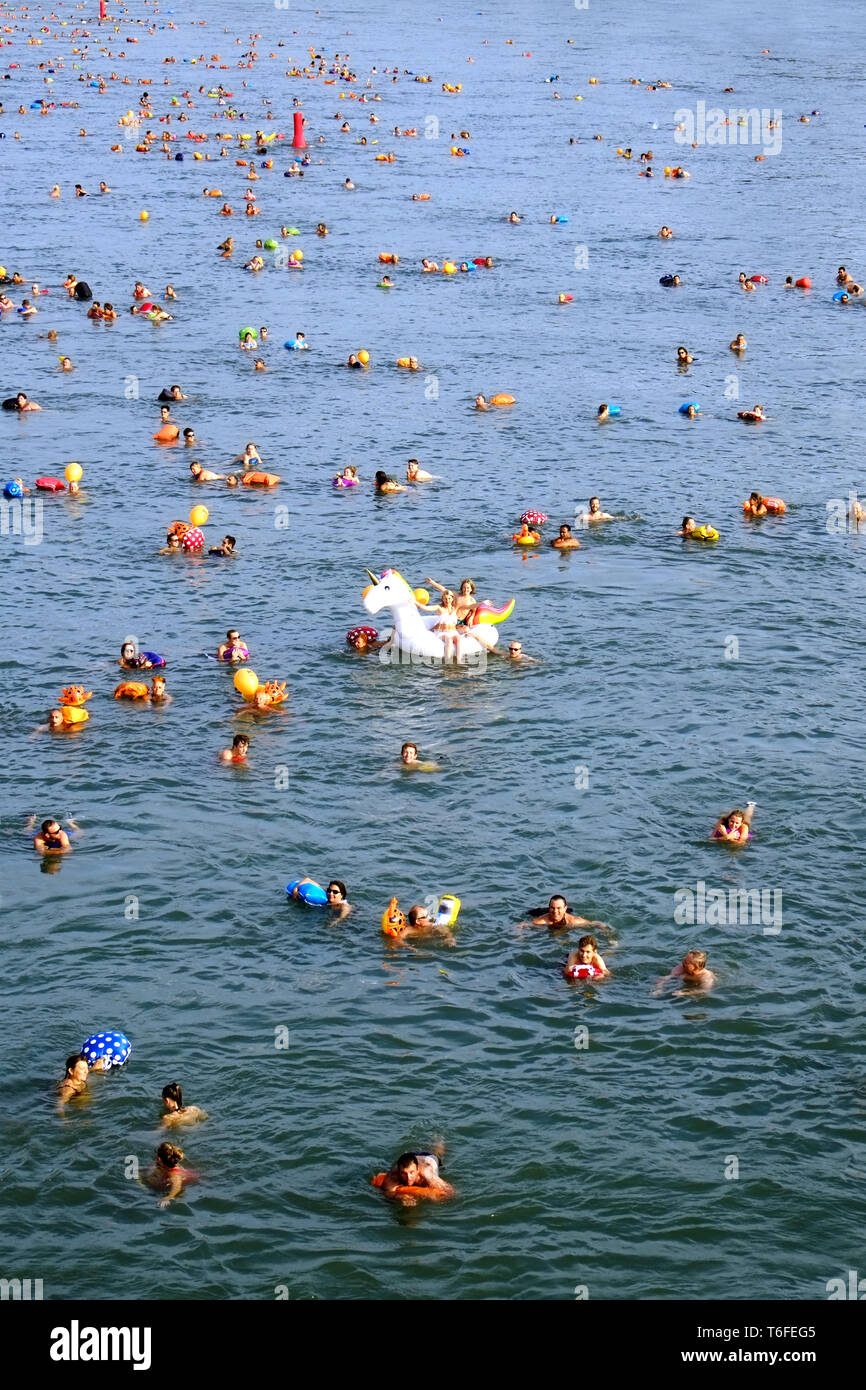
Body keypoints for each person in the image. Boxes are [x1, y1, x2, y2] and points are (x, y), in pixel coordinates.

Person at [376, 1148, 455, 1205]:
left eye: (412, 1172)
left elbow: (450, 1192)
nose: (408, 1177)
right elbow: (386, 1193)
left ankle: (439, 1144)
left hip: (429, 1158)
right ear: (399, 1172)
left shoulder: (426, 1173)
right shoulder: (393, 1175)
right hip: (409, 1156)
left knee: (438, 1153)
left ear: (417, 1170)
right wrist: (400, 1197)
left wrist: (430, 1195)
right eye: (404, 1173)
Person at [522, 894, 607, 930]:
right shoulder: (541, 921)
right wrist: (519, 937)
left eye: (559, 908)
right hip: (542, 913)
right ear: (549, 908)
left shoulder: (573, 920)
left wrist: (608, 934)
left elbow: (595, 924)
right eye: (553, 908)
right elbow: (521, 925)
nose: (555, 911)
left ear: (565, 908)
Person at [146, 1142, 191, 1208]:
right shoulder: (169, 1165)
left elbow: (176, 1187)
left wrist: (168, 1198)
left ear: (159, 1159)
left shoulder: (174, 1174)